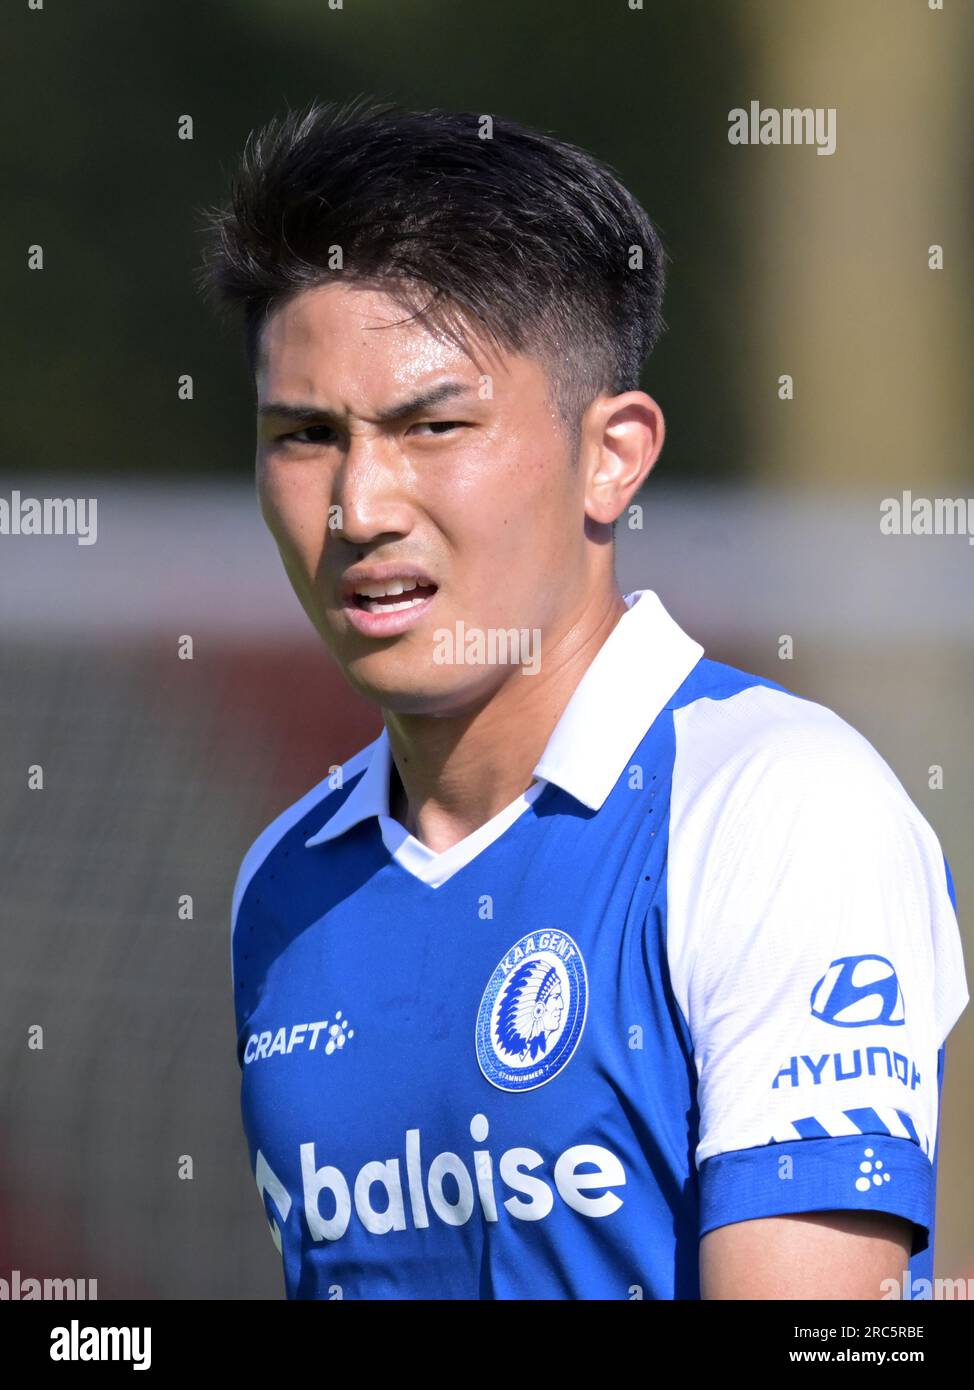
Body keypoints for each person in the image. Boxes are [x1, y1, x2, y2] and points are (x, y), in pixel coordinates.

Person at [198, 98, 968, 1300]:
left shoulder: (772, 807)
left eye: (431, 425)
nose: (358, 507)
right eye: (304, 436)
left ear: (610, 454)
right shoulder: (282, 881)